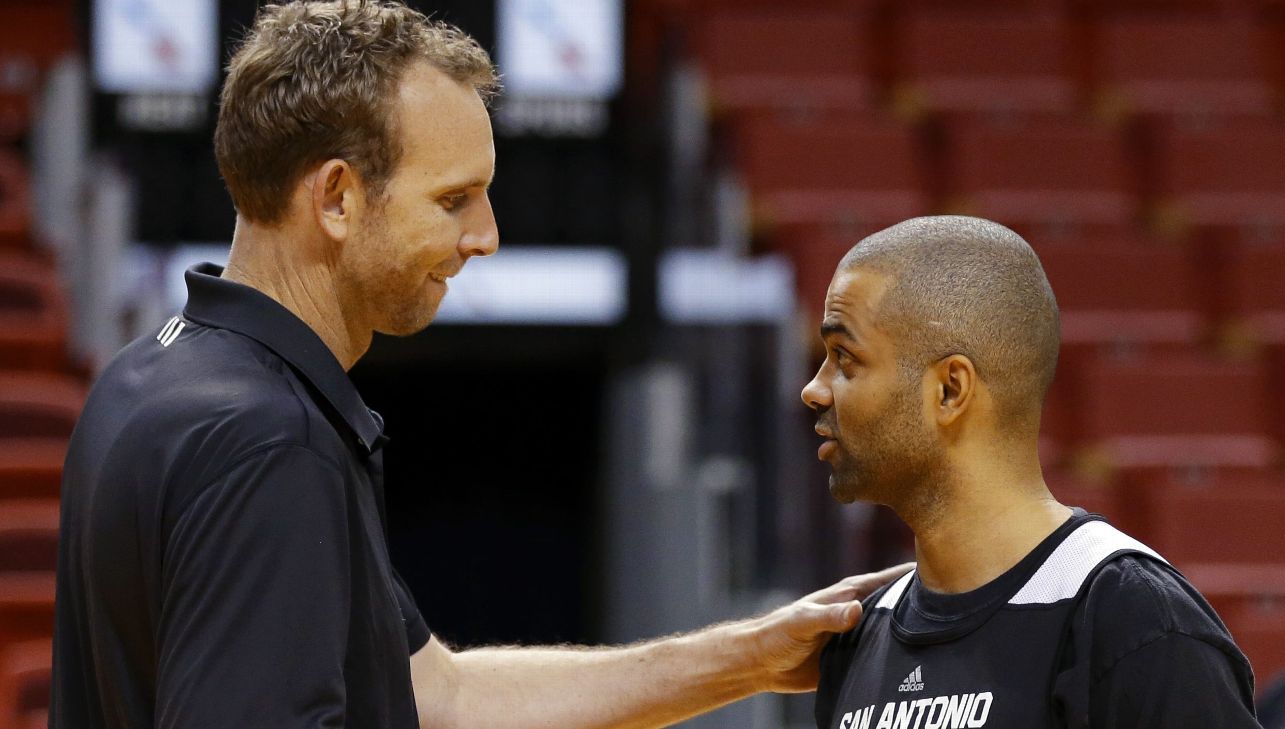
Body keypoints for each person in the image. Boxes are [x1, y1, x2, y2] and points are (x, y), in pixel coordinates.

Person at [49, 2, 910, 728]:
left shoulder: (147, 378)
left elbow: (437, 693)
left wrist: (749, 655)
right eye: (454, 199)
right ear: (338, 197)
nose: (485, 236)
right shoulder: (268, 442)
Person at [802, 216, 1262, 728]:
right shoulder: (861, 631)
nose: (814, 390)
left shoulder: (1134, 622)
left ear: (950, 390)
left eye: (845, 359)